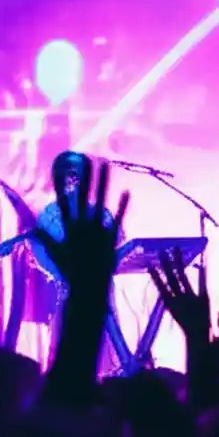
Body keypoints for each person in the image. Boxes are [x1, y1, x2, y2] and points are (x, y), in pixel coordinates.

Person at [31, 150, 129, 370]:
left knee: (103, 351)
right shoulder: (49, 215)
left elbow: (119, 248)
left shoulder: (101, 214)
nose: (74, 177)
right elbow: (42, 255)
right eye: (68, 172)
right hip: (66, 293)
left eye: (79, 172)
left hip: (101, 293)